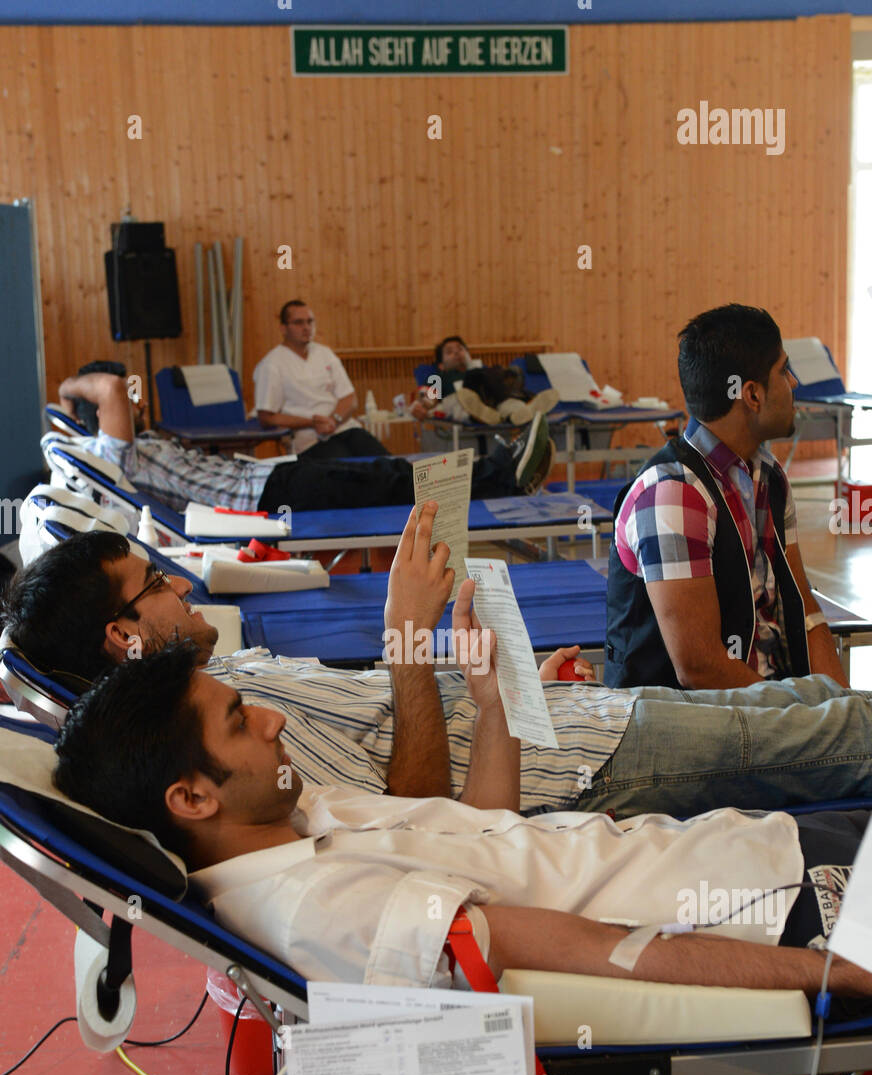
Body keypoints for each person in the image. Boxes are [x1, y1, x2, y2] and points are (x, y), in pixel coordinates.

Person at [52, 635, 872, 1012]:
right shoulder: (318, 907)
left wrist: (492, 707)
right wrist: (828, 971)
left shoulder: (296, 816)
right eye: (238, 720)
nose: (270, 719)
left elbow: (480, 831)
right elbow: (609, 955)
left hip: (752, 848)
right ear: (193, 799)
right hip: (776, 903)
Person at [6, 525, 872, 821]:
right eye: (155, 584)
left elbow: (392, 714)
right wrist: (402, 632)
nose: (181, 583)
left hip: (565, 722)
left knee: (805, 698)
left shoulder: (218, 678)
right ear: (123, 637)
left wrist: (504, 681)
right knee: (836, 732)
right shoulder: (220, 738)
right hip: (582, 767)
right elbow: (415, 811)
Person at [605, 304, 849, 690]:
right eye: (784, 371)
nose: (795, 384)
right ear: (751, 394)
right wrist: (800, 716)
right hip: (688, 728)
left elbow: (803, 608)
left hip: (761, 709)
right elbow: (700, 668)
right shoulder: (672, 495)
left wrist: (842, 707)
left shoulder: (769, 477)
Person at [54, 366, 555, 515]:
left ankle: (500, 472)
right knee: (391, 480)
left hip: (269, 477)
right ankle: (503, 477)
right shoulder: (108, 454)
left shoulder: (132, 448)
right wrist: (66, 391)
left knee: (387, 473)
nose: (136, 404)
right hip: (266, 497)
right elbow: (113, 389)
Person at [253, 300, 389, 461]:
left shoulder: (325, 354)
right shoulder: (271, 364)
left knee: (387, 463)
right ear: (283, 328)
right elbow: (267, 417)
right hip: (309, 441)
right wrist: (311, 423)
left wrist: (333, 419)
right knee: (346, 470)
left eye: (310, 321)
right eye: (298, 322)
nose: (306, 327)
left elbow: (350, 398)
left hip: (343, 427)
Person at [411, 336, 557, 427]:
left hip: (489, 402)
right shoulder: (439, 377)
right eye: (449, 352)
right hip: (459, 403)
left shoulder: (483, 372)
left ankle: (520, 412)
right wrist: (419, 405)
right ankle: (481, 414)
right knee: (461, 400)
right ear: (441, 365)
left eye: (460, 349)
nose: (456, 353)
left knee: (505, 402)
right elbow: (429, 398)